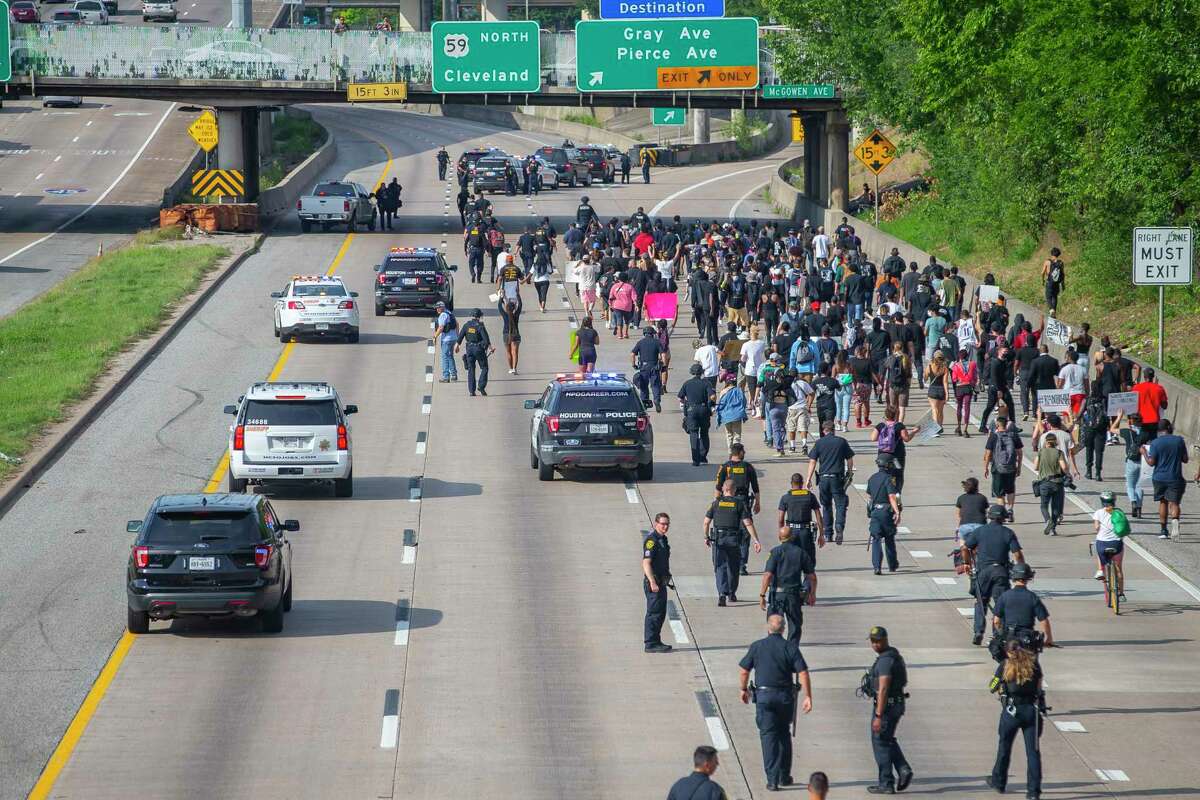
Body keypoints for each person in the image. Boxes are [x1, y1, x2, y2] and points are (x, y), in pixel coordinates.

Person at [738, 615, 814, 791]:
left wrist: (743, 689)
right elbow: (803, 672)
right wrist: (808, 696)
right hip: (785, 698)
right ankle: (784, 776)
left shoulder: (757, 646)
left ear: (768, 628)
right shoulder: (790, 647)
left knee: (768, 737)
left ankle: (772, 780)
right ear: (783, 629)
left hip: (764, 698)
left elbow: (744, 670)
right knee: (784, 734)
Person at [962, 504, 1024, 646]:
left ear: (989, 516)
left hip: (983, 572)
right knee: (1001, 603)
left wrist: (967, 563)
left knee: (980, 602)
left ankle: (978, 631)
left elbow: (965, 547)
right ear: (1003, 518)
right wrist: (1021, 568)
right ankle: (998, 634)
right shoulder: (1008, 533)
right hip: (1001, 571)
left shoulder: (980, 531)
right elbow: (1017, 554)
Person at [987, 643, 1044, 799]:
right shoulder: (1034, 665)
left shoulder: (1005, 665)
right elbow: (1039, 688)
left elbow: (992, 686)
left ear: (1008, 652)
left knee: (1004, 748)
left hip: (1011, 711)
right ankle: (1033, 792)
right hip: (1031, 711)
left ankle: (999, 782)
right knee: (1033, 753)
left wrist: (998, 682)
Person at [864, 627, 913, 795]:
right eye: (872, 641)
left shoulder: (886, 661)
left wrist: (878, 715)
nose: (874, 644)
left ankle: (886, 783)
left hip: (887, 707)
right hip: (895, 704)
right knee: (887, 739)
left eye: (878, 641)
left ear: (885, 640)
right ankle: (903, 769)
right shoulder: (893, 655)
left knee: (880, 743)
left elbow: (883, 688)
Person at [704, 479, 761, 606]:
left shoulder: (716, 503)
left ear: (723, 489)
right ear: (734, 490)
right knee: (733, 567)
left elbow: (706, 522)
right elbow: (748, 523)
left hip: (719, 539)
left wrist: (706, 537)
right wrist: (756, 540)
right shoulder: (739, 504)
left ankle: (722, 594)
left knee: (720, 567)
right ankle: (731, 593)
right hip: (734, 539)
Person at [760, 524, 818, 643]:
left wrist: (762, 595)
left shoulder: (775, 552)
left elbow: (768, 575)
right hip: (794, 596)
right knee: (795, 626)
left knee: (774, 625)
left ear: (779, 537)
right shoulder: (801, 553)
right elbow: (812, 577)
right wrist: (812, 594)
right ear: (792, 537)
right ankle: (792, 649)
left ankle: (776, 648)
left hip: (777, 596)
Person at [805, 421, 855, 544]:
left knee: (826, 506)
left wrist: (808, 479)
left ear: (823, 430)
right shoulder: (841, 442)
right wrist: (849, 473)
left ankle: (828, 534)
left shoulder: (819, 443)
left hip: (823, 479)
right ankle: (839, 526)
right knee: (841, 504)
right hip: (837, 478)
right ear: (834, 430)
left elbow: (812, 461)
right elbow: (849, 459)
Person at [716, 443, 762, 574]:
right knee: (745, 533)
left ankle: (728, 562)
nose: (745, 453)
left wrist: (717, 504)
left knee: (728, 530)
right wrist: (758, 503)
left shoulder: (725, 467)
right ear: (740, 452)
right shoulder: (748, 467)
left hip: (727, 503)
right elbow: (755, 487)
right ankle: (742, 565)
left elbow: (718, 487)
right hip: (743, 502)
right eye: (743, 451)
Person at [992, 562, 1054, 654]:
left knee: (1004, 662)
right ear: (1028, 578)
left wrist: (1001, 635)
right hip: (1027, 639)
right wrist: (1049, 638)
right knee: (1033, 663)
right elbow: (1044, 621)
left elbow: (996, 621)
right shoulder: (1032, 597)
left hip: (1010, 640)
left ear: (1013, 577)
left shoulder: (1004, 596)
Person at [1143, 418, 1188, 539]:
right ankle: (1175, 520)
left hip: (1159, 477)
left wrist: (1144, 453)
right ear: (1169, 428)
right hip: (1175, 477)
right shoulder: (1179, 440)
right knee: (1174, 503)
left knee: (1163, 502)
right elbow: (1185, 459)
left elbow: (1151, 462)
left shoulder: (1155, 443)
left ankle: (1163, 530)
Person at [865, 454, 903, 575]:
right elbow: (892, 496)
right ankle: (892, 565)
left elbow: (870, 497)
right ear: (887, 465)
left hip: (875, 512)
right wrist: (897, 512)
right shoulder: (889, 479)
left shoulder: (872, 478)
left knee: (876, 538)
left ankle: (877, 567)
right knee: (889, 538)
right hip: (886, 512)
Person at [642, 512, 673, 653]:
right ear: (656, 524)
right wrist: (652, 582)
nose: (665, 527)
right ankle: (650, 643)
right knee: (654, 613)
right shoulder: (652, 541)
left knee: (660, 613)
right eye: (663, 524)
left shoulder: (663, 539)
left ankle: (656, 640)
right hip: (654, 583)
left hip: (661, 582)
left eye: (667, 524)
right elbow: (646, 563)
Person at [983, 416, 1023, 522]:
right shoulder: (1013, 435)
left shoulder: (993, 436)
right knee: (1010, 489)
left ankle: (1002, 512)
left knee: (999, 493)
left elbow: (988, 453)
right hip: (1011, 467)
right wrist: (1019, 467)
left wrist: (986, 467)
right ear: (1007, 425)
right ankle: (1010, 510)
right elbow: (1019, 452)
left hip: (998, 468)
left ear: (997, 425)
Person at [679, 363, 716, 466]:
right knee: (704, 433)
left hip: (691, 410)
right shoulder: (706, 383)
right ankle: (703, 457)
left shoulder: (687, 383)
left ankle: (696, 460)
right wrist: (712, 404)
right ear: (701, 373)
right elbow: (712, 396)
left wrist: (686, 404)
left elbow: (680, 397)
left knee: (693, 433)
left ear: (692, 372)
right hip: (704, 409)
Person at [1034, 433, 1070, 536]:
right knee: (1055, 507)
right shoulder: (1059, 453)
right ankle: (1053, 529)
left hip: (1044, 483)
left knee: (1044, 506)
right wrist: (1068, 474)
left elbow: (1035, 467)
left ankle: (1048, 520)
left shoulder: (1041, 452)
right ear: (1056, 442)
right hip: (1057, 483)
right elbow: (1064, 467)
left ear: (1046, 442)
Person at [1091, 490, 1126, 592]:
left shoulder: (1098, 513)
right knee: (1119, 568)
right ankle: (1121, 593)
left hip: (1102, 543)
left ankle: (1100, 570)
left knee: (1099, 550)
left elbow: (1096, 528)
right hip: (1116, 543)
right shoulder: (1119, 512)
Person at [455, 308, 494, 397]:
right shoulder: (480, 326)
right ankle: (481, 386)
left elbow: (460, 337)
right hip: (479, 349)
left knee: (471, 369)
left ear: (472, 315)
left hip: (469, 349)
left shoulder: (466, 325)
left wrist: (457, 345)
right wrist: (490, 348)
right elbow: (486, 339)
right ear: (480, 316)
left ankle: (472, 391)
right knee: (484, 368)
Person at [1078, 382, 1110, 480]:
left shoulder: (1087, 400)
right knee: (1099, 451)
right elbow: (1109, 413)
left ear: (1091, 388)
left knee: (1089, 449)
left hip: (1089, 428)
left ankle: (1088, 472)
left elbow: (1079, 414)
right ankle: (1098, 474)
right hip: (1101, 429)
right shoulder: (1104, 400)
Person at [631, 326, 666, 412]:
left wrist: (633, 364)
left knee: (643, 386)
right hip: (654, 367)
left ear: (644, 334)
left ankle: (644, 404)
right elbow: (663, 354)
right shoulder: (657, 342)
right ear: (652, 334)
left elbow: (632, 354)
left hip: (644, 367)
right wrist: (664, 364)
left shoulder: (640, 342)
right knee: (655, 385)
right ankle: (656, 400)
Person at [1119, 414, 1148, 518]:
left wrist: (1119, 417)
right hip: (1143, 461)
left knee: (1130, 485)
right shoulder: (1146, 433)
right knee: (1139, 486)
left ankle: (1133, 501)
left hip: (1131, 461)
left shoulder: (1128, 432)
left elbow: (1112, 428)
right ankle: (1139, 510)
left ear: (1131, 421)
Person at [1131, 367, 1168, 438]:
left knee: (1140, 441)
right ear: (1153, 376)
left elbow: (1131, 404)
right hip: (1155, 420)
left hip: (1140, 420)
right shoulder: (1159, 388)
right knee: (1153, 440)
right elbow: (1164, 406)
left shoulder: (1136, 388)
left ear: (1144, 376)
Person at [716, 376, 749, 452]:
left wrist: (719, 416)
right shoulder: (739, 390)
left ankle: (730, 452)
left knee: (729, 435)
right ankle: (736, 452)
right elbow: (744, 402)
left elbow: (721, 404)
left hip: (726, 416)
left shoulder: (723, 391)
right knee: (737, 435)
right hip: (737, 415)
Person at [951, 348, 979, 437]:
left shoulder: (956, 365)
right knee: (967, 408)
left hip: (959, 387)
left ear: (959, 357)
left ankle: (959, 427)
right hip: (968, 387)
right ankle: (965, 429)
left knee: (959, 407)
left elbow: (954, 379)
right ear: (967, 356)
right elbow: (975, 377)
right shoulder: (973, 364)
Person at [956, 477, 989, 543]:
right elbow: (985, 513)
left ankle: (963, 548)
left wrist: (958, 528)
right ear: (977, 487)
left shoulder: (961, 498)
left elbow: (959, 515)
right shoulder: (982, 497)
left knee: (963, 541)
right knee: (981, 543)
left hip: (965, 525)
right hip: (980, 525)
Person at [924, 350, 950, 434]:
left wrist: (925, 375)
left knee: (934, 410)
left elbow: (925, 378)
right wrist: (947, 394)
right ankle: (940, 426)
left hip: (932, 390)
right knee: (940, 410)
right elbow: (945, 382)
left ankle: (935, 429)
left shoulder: (930, 366)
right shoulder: (945, 368)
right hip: (941, 391)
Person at [433, 301, 458, 382]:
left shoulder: (443, 315)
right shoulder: (450, 313)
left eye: (438, 308)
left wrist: (435, 336)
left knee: (445, 357)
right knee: (450, 356)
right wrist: (457, 337)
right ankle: (454, 375)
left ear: (442, 307)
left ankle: (446, 377)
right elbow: (457, 324)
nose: (437, 309)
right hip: (453, 338)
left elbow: (441, 327)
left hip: (446, 340)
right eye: (436, 308)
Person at [1041, 246, 1065, 314]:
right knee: (1054, 297)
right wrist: (1063, 285)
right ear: (1058, 254)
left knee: (1048, 297)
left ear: (1051, 253)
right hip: (1056, 283)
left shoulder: (1047, 262)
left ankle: (1051, 310)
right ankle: (1054, 311)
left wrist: (1042, 280)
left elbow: (1042, 273)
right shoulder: (1061, 263)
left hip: (1049, 282)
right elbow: (1063, 274)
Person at [500, 298, 521, 375]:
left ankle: (510, 368)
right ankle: (514, 368)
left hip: (506, 335)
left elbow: (499, 307)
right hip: (515, 334)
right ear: (514, 308)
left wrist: (501, 298)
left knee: (508, 352)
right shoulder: (516, 315)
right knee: (515, 352)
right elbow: (520, 305)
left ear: (506, 308)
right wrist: (518, 295)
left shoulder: (505, 315)